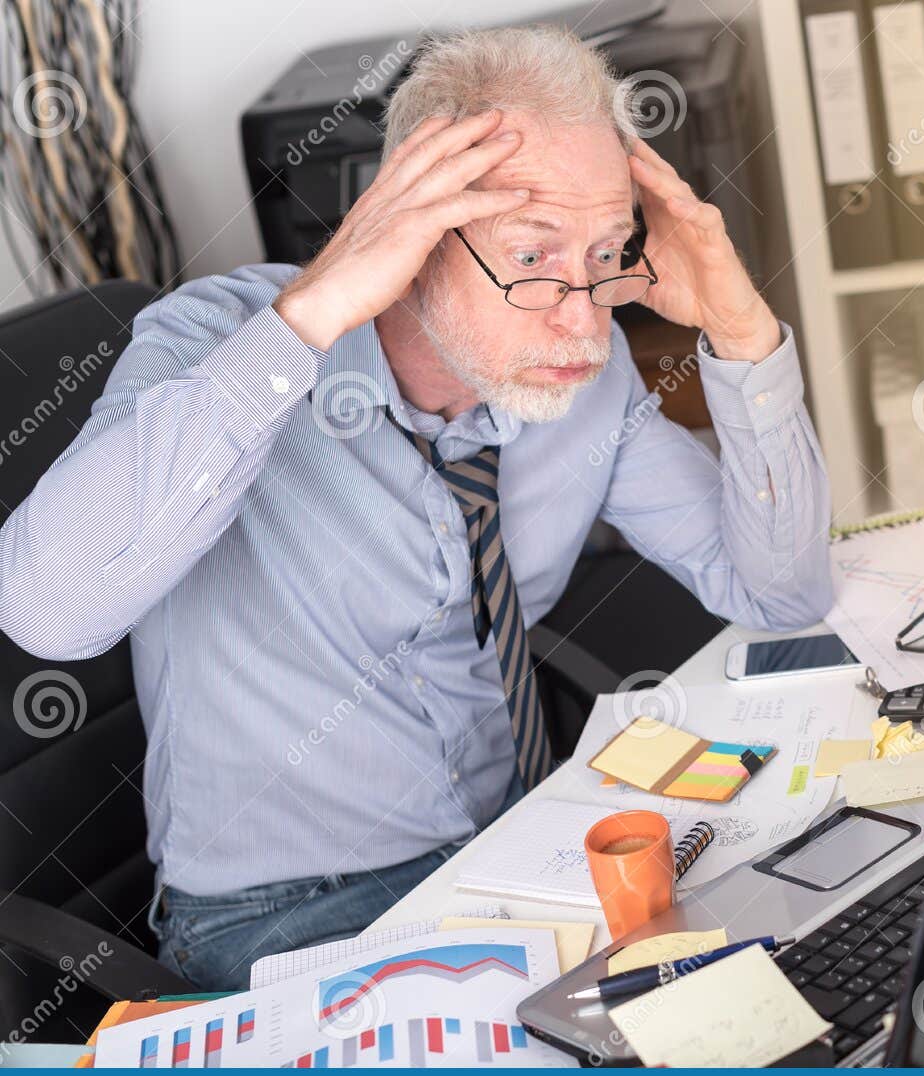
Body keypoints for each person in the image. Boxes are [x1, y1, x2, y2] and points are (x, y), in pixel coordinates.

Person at [0, 26, 832, 991]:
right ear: (416, 230)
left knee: (775, 982)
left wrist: (741, 331)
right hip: (287, 919)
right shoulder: (214, 342)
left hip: (519, 858)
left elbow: (782, 591)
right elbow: (45, 610)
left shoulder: (578, 378)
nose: (584, 315)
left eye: (606, 254)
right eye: (533, 255)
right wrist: (315, 313)